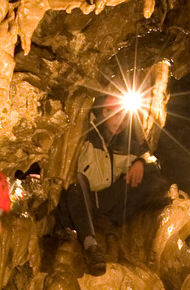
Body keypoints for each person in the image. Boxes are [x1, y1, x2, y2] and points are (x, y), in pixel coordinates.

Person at [58, 89, 171, 275]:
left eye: (125, 118)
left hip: (107, 202)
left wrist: (140, 162)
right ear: (105, 112)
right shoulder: (86, 133)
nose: (121, 122)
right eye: (117, 115)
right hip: (82, 200)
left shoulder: (128, 143)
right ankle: (91, 246)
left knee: (152, 179)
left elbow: (152, 159)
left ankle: (113, 224)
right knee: (75, 181)